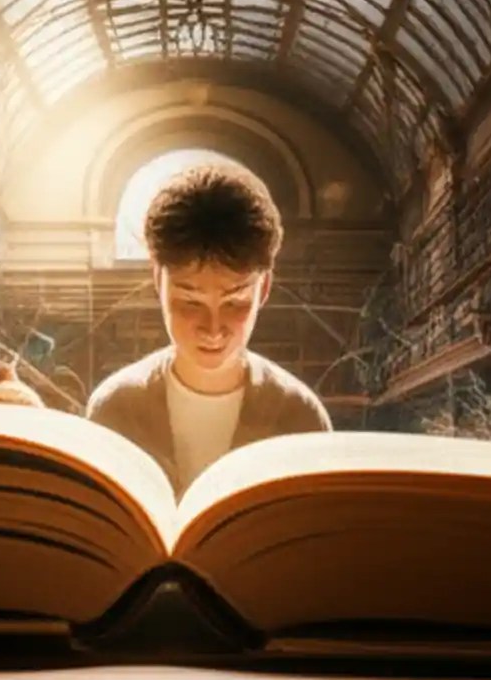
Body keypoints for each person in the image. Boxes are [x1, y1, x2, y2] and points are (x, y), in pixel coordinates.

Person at [85, 162, 332, 498]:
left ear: (265, 287)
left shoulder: (300, 416)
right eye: (190, 302)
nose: (213, 329)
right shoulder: (114, 409)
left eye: (235, 303)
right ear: (158, 281)